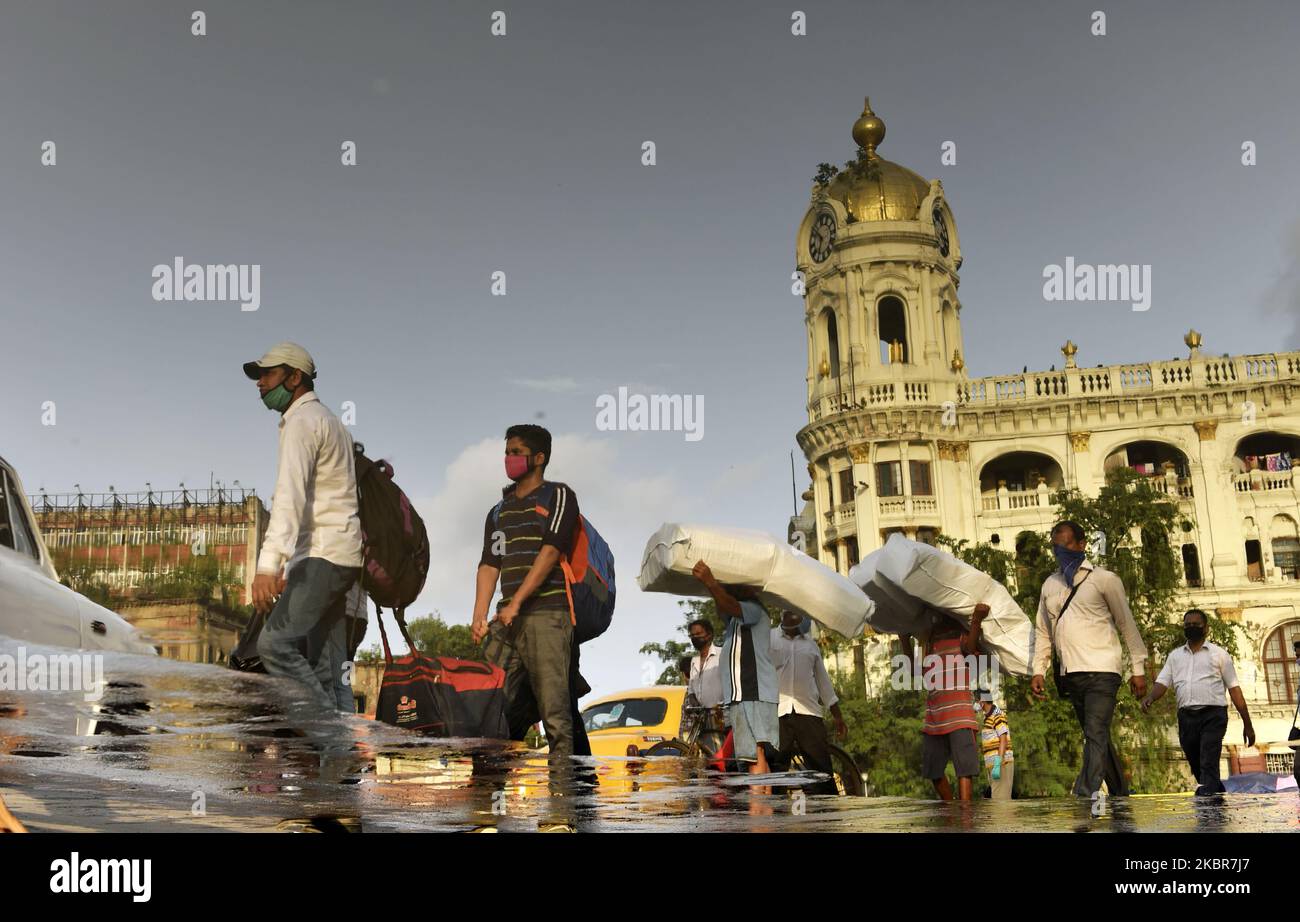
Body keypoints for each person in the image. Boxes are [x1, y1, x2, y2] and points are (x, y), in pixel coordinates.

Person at [244, 343, 363, 711]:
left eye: (268, 374)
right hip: (340, 557)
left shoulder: (302, 421)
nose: (260, 383)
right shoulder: (330, 421)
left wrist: (268, 565)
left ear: (295, 378)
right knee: (331, 670)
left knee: (274, 645)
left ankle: (334, 741)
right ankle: (338, 766)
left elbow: (289, 497)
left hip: (324, 556)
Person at [471, 425, 588, 765]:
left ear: (539, 458)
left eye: (516, 452)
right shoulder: (498, 511)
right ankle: (487, 806)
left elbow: (551, 551)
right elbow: (490, 563)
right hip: (506, 621)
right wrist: (479, 614)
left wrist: (518, 602)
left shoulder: (559, 496)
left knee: (555, 715)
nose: (509, 459)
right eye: (507, 452)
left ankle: (560, 810)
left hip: (548, 616)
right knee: (490, 710)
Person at [1031, 520, 1148, 799]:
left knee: (1094, 732)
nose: (1061, 551)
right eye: (1056, 547)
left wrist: (1138, 669)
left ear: (1082, 545)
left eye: (1067, 545)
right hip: (1071, 673)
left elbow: (1126, 624)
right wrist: (1038, 670)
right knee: (1099, 737)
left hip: (1103, 670)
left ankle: (1085, 796)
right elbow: (1043, 632)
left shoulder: (1104, 580)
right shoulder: (1050, 585)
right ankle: (1120, 794)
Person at [1140, 609, 1255, 795]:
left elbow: (1234, 689)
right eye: (1188, 625)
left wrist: (1247, 724)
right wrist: (1150, 697)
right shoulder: (1175, 656)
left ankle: (1208, 804)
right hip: (1186, 718)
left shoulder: (1219, 655)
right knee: (1196, 763)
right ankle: (1216, 794)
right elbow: (1162, 682)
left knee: (1208, 759)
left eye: (1196, 625)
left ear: (1206, 628)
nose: (1192, 628)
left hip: (1213, 715)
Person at [691, 561, 778, 789]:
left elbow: (728, 604)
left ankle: (758, 813)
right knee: (755, 755)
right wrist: (716, 586)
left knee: (753, 754)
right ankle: (763, 811)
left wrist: (711, 581)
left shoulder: (753, 609)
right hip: (744, 693)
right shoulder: (735, 621)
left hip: (752, 690)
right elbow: (724, 606)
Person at [902, 605, 989, 801]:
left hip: (960, 715)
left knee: (964, 771)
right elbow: (914, 671)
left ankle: (965, 817)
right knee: (933, 771)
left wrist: (976, 619)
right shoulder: (928, 642)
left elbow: (970, 648)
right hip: (934, 718)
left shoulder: (960, 635)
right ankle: (951, 811)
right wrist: (903, 638)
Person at [770, 610, 846, 795]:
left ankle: (828, 814)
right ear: (784, 614)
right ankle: (775, 818)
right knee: (776, 767)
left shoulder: (811, 645)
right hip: (777, 712)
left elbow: (823, 682)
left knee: (821, 766)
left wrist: (837, 716)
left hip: (808, 712)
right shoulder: (769, 638)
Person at [976, 689, 1014, 800]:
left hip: (1001, 764)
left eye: (977, 700)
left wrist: (998, 762)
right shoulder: (987, 718)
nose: (976, 704)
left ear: (982, 701)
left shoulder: (997, 715)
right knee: (997, 799)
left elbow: (1003, 739)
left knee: (1000, 800)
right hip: (992, 765)